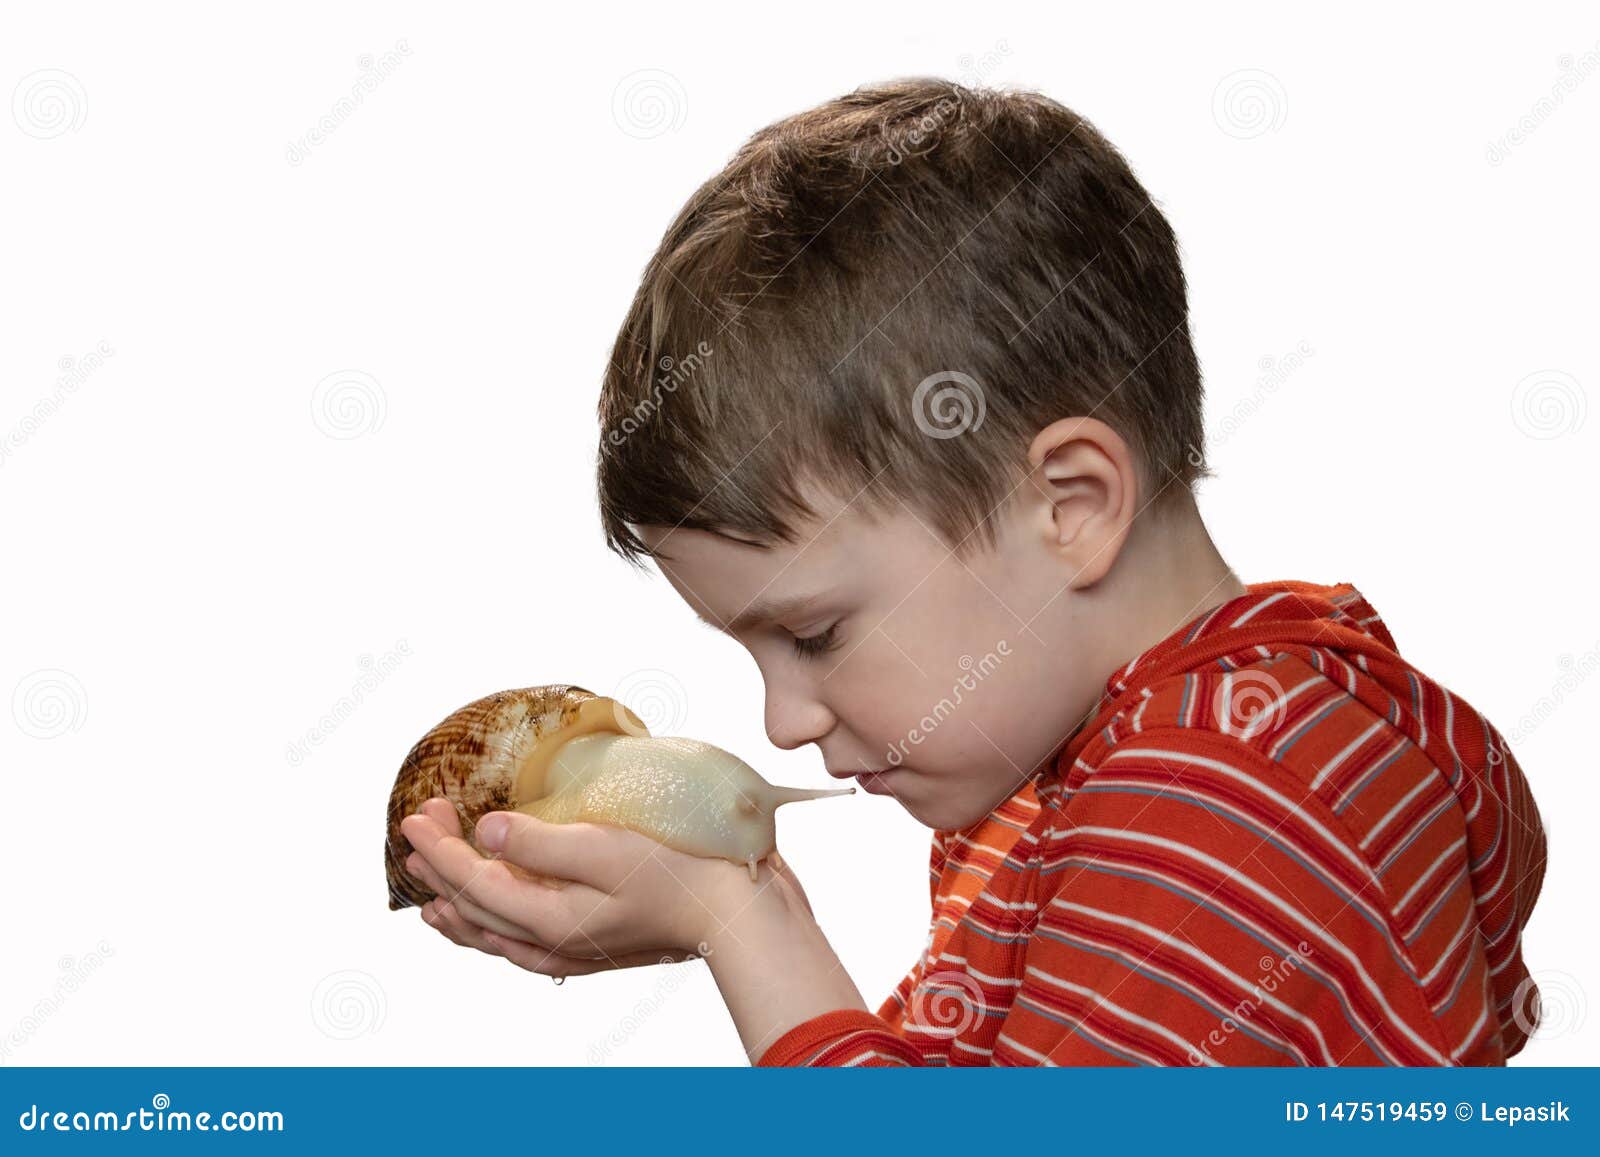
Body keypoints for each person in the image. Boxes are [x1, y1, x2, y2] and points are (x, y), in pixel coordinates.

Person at [400, 78, 1546, 1065]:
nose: (782, 720)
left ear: (1071, 505)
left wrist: (740, 925)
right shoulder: (1109, 758)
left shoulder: (1223, 803)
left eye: (814, 632)